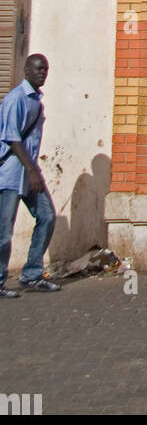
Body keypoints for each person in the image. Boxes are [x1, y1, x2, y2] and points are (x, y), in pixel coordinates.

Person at [0, 54, 60, 296]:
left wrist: (33, 171)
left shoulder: (37, 100)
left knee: (46, 216)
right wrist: (32, 171)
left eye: (45, 69)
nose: (42, 73)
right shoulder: (16, 99)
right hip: (12, 173)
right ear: (26, 70)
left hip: (28, 172)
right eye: (38, 69)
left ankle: (32, 274)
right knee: (4, 230)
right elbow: (13, 139)